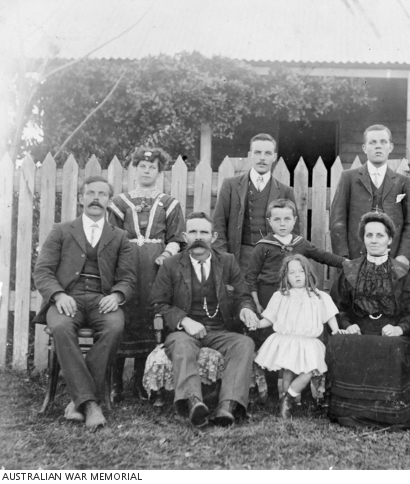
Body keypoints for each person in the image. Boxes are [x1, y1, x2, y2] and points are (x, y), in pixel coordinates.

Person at [33, 176, 136, 429]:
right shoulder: (61, 230)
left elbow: (128, 278)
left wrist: (117, 295)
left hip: (103, 300)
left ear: (108, 202)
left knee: (114, 328)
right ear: (81, 198)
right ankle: (90, 404)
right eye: (90, 193)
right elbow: (43, 272)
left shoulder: (120, 237)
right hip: (68, 299)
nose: (96, 199)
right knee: (60, 328)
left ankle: (78, 401)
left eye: (102, 194)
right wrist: (58, 295)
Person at [326, 212, 410, 430]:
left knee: (391, 347)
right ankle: (351, 411)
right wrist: (348, 325)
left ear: (390, 240)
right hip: (359, 329)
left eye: (379, 235)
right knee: (341, 343)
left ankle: (389, 413)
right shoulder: (350, 270)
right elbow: (335, 307)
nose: (374, 240)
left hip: (392, 332)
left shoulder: (402, 272)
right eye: (369, 235)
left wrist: (399, 328)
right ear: (363, 238)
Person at [149, 212, 260, 427]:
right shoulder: (171, 264)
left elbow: (242, 296)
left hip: (221, 330)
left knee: (244, 343)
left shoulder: (227, 262)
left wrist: (246, 309)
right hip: (184, 332)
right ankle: (193, 403)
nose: (198, 237)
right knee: (181, 345)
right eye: (193, 232)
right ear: (184, 236)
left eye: (204, 232)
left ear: (214, 236)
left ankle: (227, 406)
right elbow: (158, 304)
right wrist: (184, 321)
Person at [108, 147, 185, 402]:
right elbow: (111, 236)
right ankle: (115, 382)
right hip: (128, 264)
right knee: (124, 314)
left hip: (155, 267)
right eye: (142, 166)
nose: (147, 171)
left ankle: (142, 380)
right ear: (135, 168)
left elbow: (176, 237)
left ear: (159, 172)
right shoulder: (120, 203)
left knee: (150, 315)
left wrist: (166, 254)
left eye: (152, 167)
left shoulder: (169, 203)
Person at [251, 254, 344, 418]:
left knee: (308, 371)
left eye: (301, 271)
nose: (297, 275)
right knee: (288, 372)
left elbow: (329, 316)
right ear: (285, 276)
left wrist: (336, 330)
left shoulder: (319, 296)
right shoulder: (281, 296)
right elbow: (269, 318)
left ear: (308, 274)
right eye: (292, 273)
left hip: (309, 343)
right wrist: (257, 324)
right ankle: (286, 406)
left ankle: (289, 398)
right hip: (287, 340)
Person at [212, 133, 299, 274]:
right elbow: (219, 225)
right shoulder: (231, 185)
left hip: (272, 262)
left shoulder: (285, 191)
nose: (262, 158)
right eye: (257, 152)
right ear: (249, 155)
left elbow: (293, 232)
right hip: (238, 260)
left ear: (274, 157)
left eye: (267, 153)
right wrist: (223, 258)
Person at [330, 124, 410, 264]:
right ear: (364, 148)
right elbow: (337, 221)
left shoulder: (402, 182)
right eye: (373, 142)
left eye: (383, 142)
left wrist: (404, 256)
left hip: (392, 258)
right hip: (355, 257)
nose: (378, 146)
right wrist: (343, 257)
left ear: (391, 147)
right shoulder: (349, 178)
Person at [246, 198, 346, 315]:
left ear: (294, 220)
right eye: (277, 219)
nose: (282, 223)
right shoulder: (263, 246)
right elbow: (251, 277)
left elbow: (323, 256)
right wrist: (256, 303)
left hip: (296, 294)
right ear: (269, 221)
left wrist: (348, 263)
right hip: (269, 295)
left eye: (287, 219)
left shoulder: (301, 243)